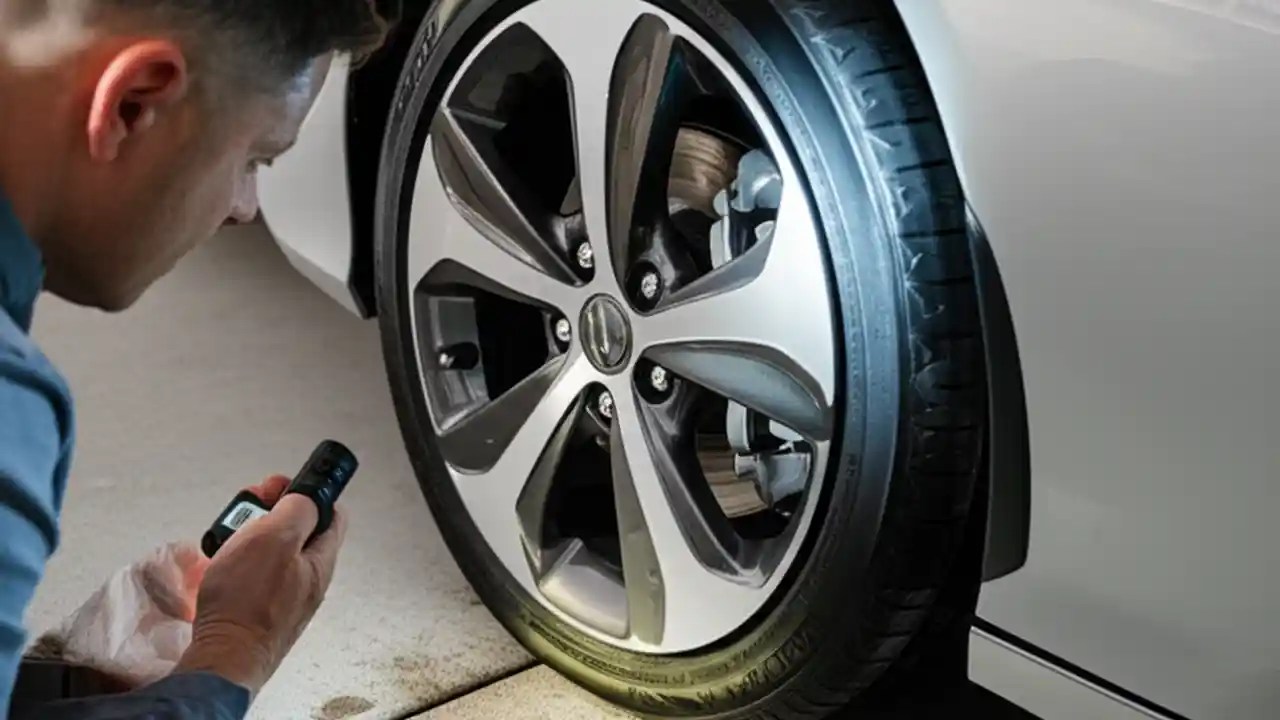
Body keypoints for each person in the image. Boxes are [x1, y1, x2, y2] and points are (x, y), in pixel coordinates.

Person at [0, 1, 388, 717]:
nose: (244, 207)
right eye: (253, 159)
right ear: (134, 105)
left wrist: (65, 677)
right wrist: (232, 654)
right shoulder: (9, 406)